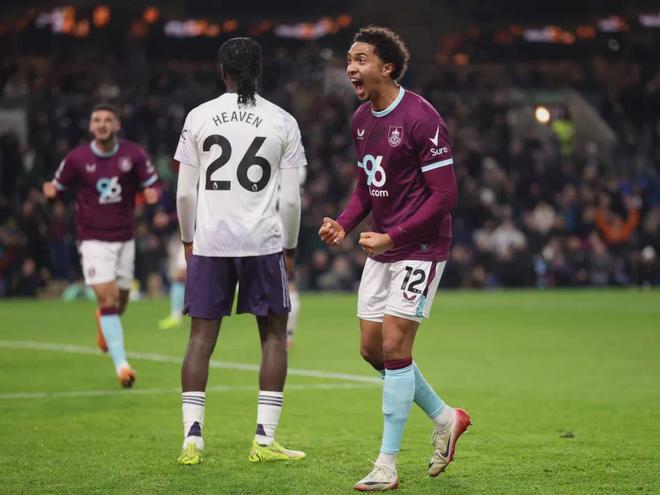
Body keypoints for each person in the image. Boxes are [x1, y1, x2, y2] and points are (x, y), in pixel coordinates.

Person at [319, 26, 470, 491]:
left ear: (387, 68)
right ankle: (446, 418)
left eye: (360, 59)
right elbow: (366, 185)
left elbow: (445, 196)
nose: (351, 68)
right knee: (372, 350)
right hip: (385, 247)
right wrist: (344, 223)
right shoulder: (362, 119)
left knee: (396, 347)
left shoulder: (422, 118)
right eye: (349, 60)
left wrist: (393, 236)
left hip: (421, 248)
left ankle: (386, 464)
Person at [174, 37, 306, 466]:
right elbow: (290, 200)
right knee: (274, 337)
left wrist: (188, 240)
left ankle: (192, 438)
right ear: (260, 69)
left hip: (211, 242)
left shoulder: (198, 116)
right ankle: (264, 440)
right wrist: (290, 248)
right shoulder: (282, 120)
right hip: (262, 243)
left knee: (200, 340)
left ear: (222, 70)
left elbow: (184, 194)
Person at [43, 103, 160, 388]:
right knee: (107, 300)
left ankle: (104, 322)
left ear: (116, 125)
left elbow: (153, 184)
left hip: (125, 238)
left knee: (121, 302)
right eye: (97, 120)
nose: (102, 124)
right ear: (91, 126)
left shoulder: (133, 154)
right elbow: (55, 187)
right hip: (93, 239)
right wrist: (50, 193)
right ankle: (122, 367)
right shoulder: (77, 159)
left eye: (108, 120)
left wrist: (152, 194)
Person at [158, 239, 186, 330]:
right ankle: (175, 316)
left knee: (180, 279)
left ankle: (176, 316)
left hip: (194, 241)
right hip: (190, 241)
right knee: (179, 280)